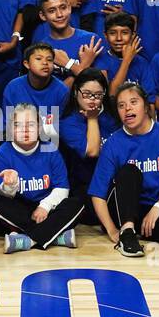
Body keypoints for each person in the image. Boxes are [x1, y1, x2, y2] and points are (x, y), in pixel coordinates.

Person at [88, 81, 159, 262]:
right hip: (123, 208)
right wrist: (112, 229)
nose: (127, 109)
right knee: (129, 171)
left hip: (155, 204)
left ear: (146, 106)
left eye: (133, 102)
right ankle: (127, 234)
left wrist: (157, 209)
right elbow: (98, 193)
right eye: (121, 105)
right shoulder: (113, 143)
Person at [0, 102, 84, 252]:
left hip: (47, 208)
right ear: (10, 129)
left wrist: (44, 207)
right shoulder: (3, 153)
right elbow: (2, 193)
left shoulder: (51, 150)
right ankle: (56, 236)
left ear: (40, 128)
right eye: (18, 125)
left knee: (76, 203)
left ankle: (28, 240)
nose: (25, 130)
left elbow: (62, 187)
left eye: (31, 125)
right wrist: (9, 185)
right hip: (20, 208)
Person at [57, 68, 117, 218]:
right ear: (76, 92)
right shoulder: (68, 122)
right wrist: (92, 118)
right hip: (85, 183)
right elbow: (92, 151)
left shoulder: (113, 116)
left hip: (112, 180)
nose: (92, 99)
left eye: (98, 95)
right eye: (87, 94)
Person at [29, 0, 102, 81]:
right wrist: (79, 67)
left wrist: (68, 64)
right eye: (52, 11)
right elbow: (51, 94)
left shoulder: (91, 40)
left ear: (69, 8)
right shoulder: (41, 49)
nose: (59, 15)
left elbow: (102, 86)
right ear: (43, 16)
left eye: (63, 8)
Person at [3, 43, 70, 133]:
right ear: (27, 64)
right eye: (38, 59)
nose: (45, 63)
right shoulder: (13, 87)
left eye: (49, 60)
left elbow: (60, 127)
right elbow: (8, 123)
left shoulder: (62, 90)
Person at [95, 10, 156, 101]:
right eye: (112, 33)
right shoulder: (101, 60)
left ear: (133, 35)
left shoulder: (142, 62)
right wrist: (126, 60)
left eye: (124, 33)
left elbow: (150, 100)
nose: (118, 38)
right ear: (105, 35)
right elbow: (111, 94)